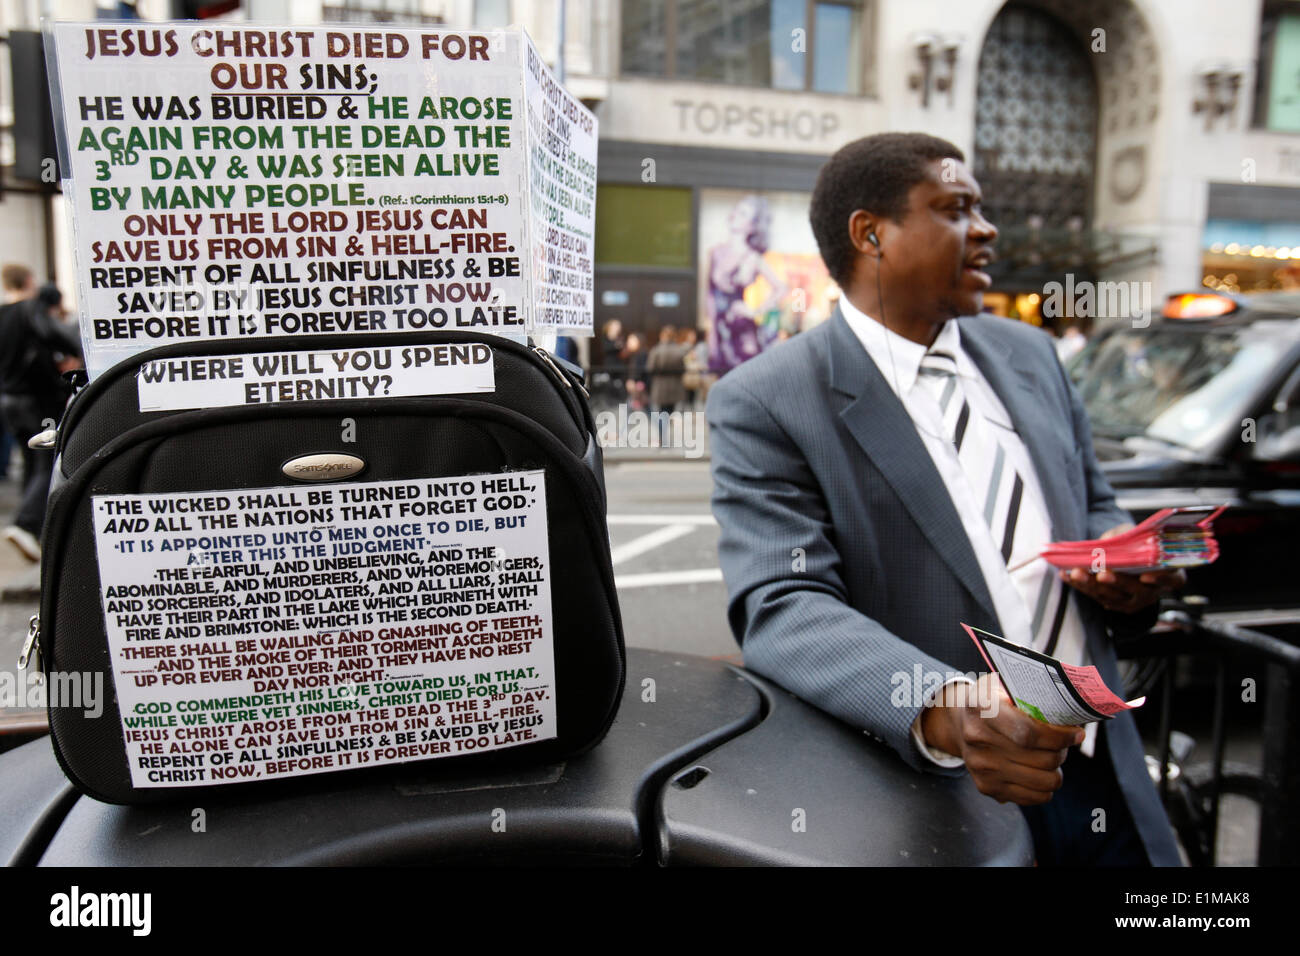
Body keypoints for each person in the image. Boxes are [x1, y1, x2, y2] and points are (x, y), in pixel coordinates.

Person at [707, 132, 1184, 866]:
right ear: (870, 234)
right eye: (956, 209)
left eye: (980, 209)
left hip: (1102, 760)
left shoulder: (1030, 353)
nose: (986, 229)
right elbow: (784, 604)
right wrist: (946, 708)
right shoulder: (768, 400)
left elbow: (1091, 498)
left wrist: (1122, 564)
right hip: (950, 794)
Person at [0, 280, 82, 562]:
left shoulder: (4, 314)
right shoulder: (30, 309)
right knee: (47, 461)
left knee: (31, 463)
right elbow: (56, 335)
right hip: (39, 401)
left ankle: (36, 531)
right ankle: (26, 524)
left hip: (10, 400)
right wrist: (77, 351)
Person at [646, 325, 687, 445]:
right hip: (675, 387)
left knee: (661, 412)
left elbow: (650, 368)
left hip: (660, 386)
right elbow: (683, 369)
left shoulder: (656, 350)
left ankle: (662, 437)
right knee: (668, 413)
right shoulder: (679, 351)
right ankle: (664, 436)